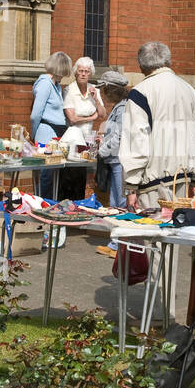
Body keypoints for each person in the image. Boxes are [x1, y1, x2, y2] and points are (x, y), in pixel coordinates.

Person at [119, 41, 195, 209]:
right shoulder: (190, 91)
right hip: (183, 181)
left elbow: (137, 141)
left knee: (150, 233)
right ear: (168, 62)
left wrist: (131, 186)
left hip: (152, 187)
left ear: (141, 66)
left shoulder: (140, 93)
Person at [60, 55, 106, 201]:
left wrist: (96, 99)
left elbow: (103, 114)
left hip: (88, 138)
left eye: (87, 71)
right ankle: (66, 205)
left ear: (90, 73)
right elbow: (72, 119)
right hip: (73, 138)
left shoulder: (94, 90)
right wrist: (91, 118)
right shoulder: (69, 90)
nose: (84, 74)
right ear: (76, 72)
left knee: (83, 175)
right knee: (70, 174)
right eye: (81, 71)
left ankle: (79, 206)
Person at [30, 51, 72, 203]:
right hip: (45, 131)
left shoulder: (56, 85)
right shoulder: (45, 84)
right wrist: (34, 135)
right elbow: (35, 114)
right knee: (45, 174)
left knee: (53, 174)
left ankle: (49, 204)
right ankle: (41, 205)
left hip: (56, 133)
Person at [95, 69, 129, 255]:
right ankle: (116, 244)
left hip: (118, 159)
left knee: (119, 203)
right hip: (115, 158)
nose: (102, 94)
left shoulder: (123, 108)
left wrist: (102, 150)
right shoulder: (120, 106)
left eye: (104, 90)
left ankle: (118, 245)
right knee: (116, 201)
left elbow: (119, 136)